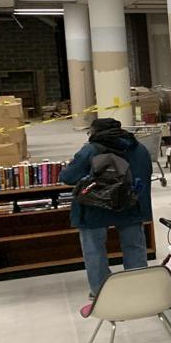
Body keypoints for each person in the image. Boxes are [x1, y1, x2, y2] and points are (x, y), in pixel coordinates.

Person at [61, 118, 154, 318]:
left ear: (94, 132)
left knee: (94, 250)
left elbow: (68, 177)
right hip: (129, 206)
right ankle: (138, 288)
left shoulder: (90, 150)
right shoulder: (138, 148)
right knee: (134, 247)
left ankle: (101, 291)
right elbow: (145, 175)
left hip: (94, 207)